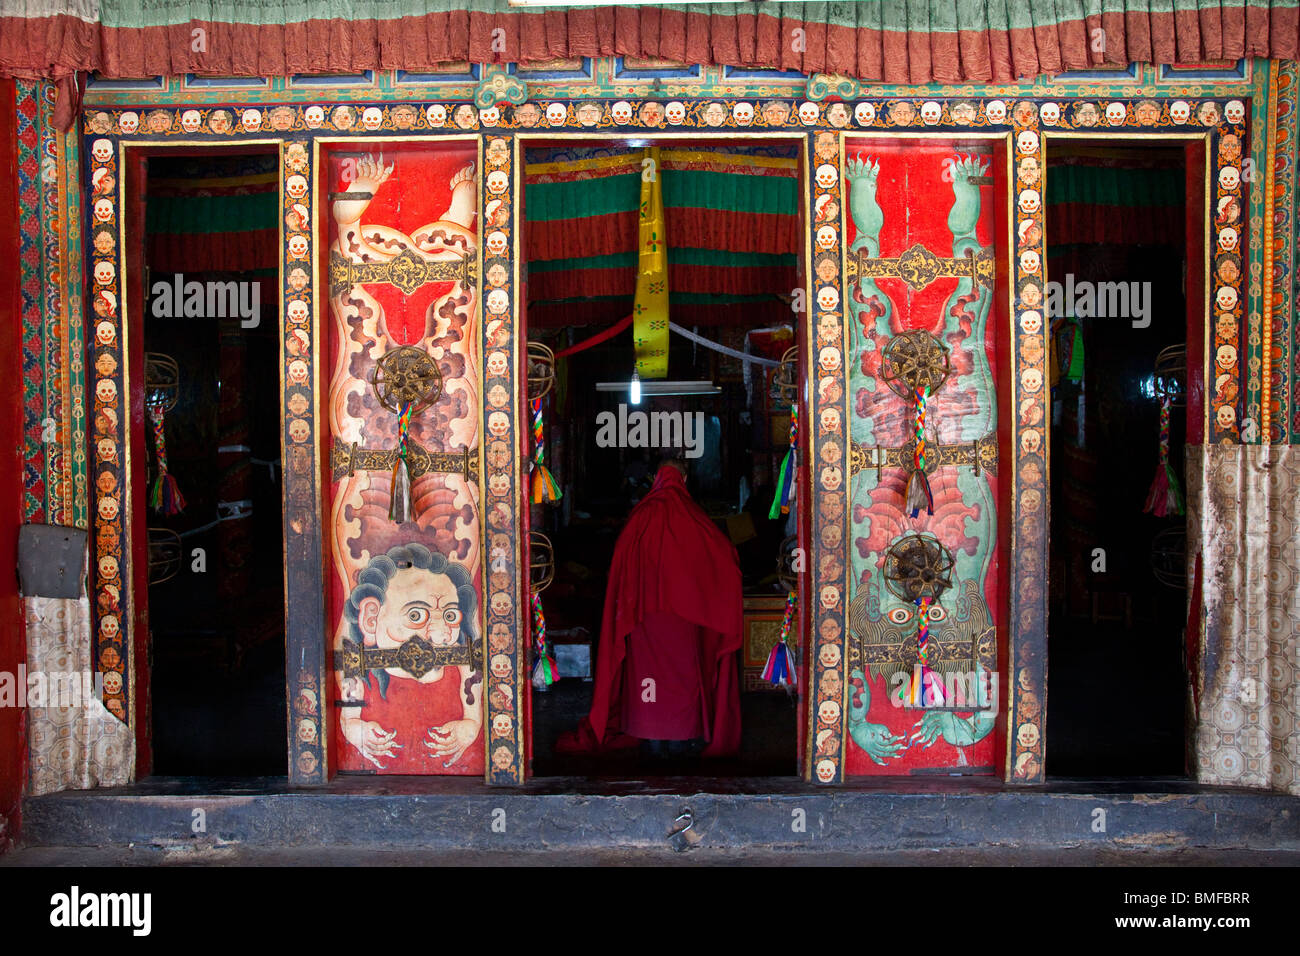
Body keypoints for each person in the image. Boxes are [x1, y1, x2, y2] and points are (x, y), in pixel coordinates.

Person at [558, 458, 743, 758]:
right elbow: (724, 554)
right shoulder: (694, 517)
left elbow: (619, 568)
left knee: (650, 678)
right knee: (683, 679)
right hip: (684, 620)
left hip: (644, 619)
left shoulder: (640, 516)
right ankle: (682, 739)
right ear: (683, 479)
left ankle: (651, 737)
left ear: (656, 479)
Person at [336, 544, 484, 773]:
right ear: (371, 618)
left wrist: (472, 724)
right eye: (416, 615)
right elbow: (349, 706)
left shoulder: (461, 664)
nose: (439, 634)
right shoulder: (361, 670)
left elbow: (474, 672)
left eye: (450, 615)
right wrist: (353, 726)